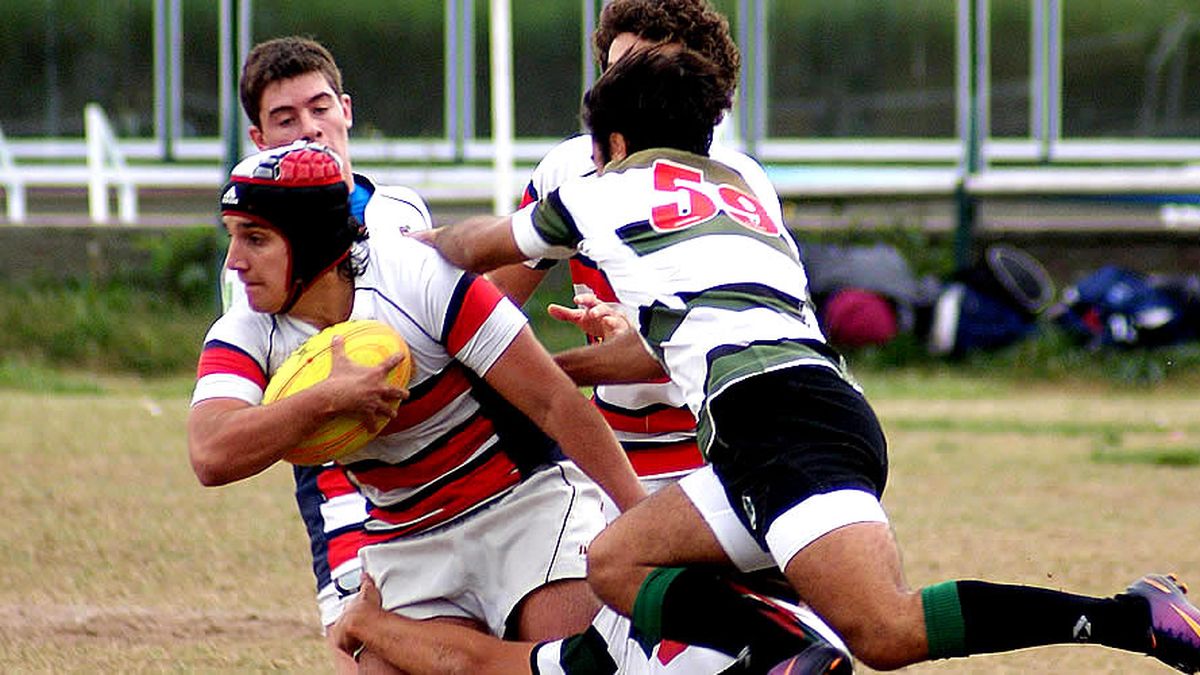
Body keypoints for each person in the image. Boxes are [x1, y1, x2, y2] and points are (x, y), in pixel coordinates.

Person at [416, 47, 1200, 673]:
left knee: (886, 631)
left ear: (611, 144)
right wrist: (564, 372)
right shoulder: (741, 188)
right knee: (615, 559)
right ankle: (784, 645)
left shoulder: (598, 191)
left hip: (778, 424)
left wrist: (393, 246)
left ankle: (1131, 617)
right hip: (794, 413)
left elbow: (472, 245)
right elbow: (676, 340)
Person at [189, 141, 647, 672]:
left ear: (311, 239)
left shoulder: (417, 276)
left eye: (255, 238)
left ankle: (373, 626)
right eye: (232, 236)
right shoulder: (247, 329)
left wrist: (640, 526)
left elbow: (554, 403)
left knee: (580, 657)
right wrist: (327, 398)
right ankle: (377, 627)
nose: (234, 261)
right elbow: (211, 454)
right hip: (405, 534)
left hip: (524, 506)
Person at [491, 0, 786, 511]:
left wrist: (620, 342)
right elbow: (490, 303)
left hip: (714, 443)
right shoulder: (570, 168)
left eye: (646, 72)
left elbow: (704, 332)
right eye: (614, 71)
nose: (624, 91)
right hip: (609, 453)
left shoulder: (736, 181)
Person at [226, 36, 438, 673]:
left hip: (442, 456)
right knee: (364, 646)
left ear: (345, 111)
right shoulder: (253, 262)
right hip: (339, 474)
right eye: (285, 119)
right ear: (259, 140)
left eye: (320, 109)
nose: (309, 129)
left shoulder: (400, 209)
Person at [330, 572, 850, 675]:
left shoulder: (603, 651)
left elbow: (472, 662)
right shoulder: (602, 651)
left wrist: (365, 624)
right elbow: (473, 661)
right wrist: (366, 624)